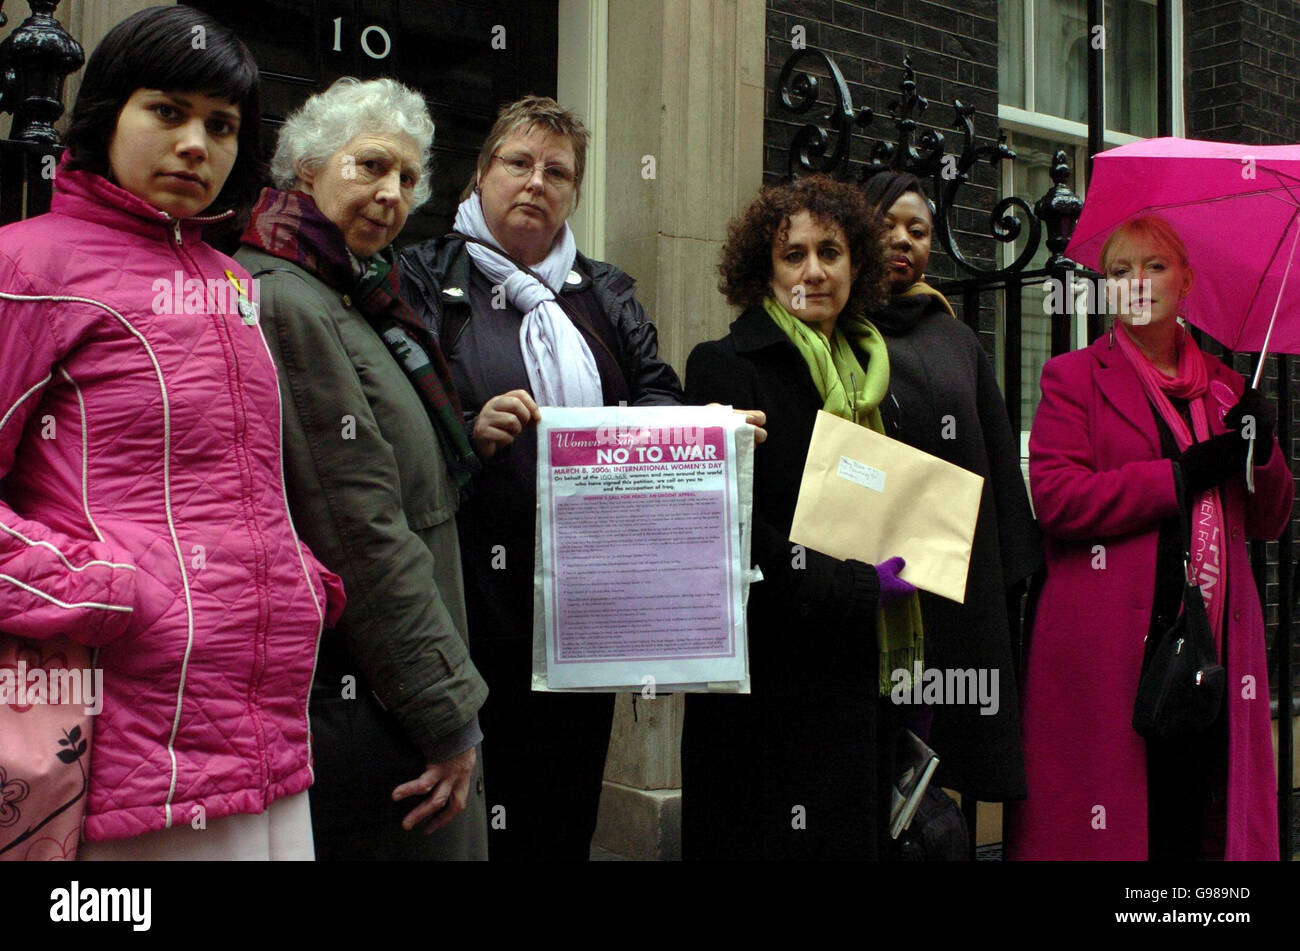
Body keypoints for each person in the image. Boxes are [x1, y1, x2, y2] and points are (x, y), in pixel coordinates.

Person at [0, 6, 345, 861]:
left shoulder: (232, 284)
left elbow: (241, 486)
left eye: (222, 125)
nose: (197, 143)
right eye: (168, 111)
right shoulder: (26, 267)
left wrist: (293, 577)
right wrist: (96, 587)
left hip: (266, 738)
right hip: (119, 745)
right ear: (107, 113)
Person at [398, 95, 687, 860]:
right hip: (471, 595)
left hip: (587, 606)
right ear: (481, 175)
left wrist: (710, 434)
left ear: (575, 192)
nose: (536, 182)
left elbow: (661, 395)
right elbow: (396, 408)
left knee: (562, 812)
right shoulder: (423, 274)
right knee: (467, 814)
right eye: (518, 163)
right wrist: (468, 427)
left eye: (557, 171)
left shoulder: (606, 292)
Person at [235, 77, 490, 860]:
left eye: (408, 178)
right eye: (370, 166)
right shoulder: (292, 301)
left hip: (392, 684)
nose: (391, 193)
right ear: (308, 169)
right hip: (376, 701)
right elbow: (359, 528)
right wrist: (444, 710)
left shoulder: (353, 293)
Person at [1005, 215, 1292, 860]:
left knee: (1200, 820)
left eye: (1155, 266)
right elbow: (1057, 497)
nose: (1137, 283)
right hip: (1114, 648)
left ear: (1186, 280)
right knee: (1131, 824)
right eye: (1120, 270)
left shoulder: (1225, 387)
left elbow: (1269, 520)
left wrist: (1264, 448)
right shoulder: (1073, 377)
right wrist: (1177, 477)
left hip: (1212, 647)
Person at [681, 174, 919, 859]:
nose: (814, 270)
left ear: (857, 265)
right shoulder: (724, 368)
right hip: (765, 685)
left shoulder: (879, 377)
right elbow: (727, 531)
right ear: (765, 268)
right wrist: (852, 585)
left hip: (855, 674)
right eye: (794, 255)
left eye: (831, 251)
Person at [862, 171, 1040, 806]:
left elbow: (993, 460)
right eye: (888, 226)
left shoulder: (957, 338)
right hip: (872, 580)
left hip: (956, 584)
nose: (904, 240)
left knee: (940, 770)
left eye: (918, 230)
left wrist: (1009, 573)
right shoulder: (839, 328)